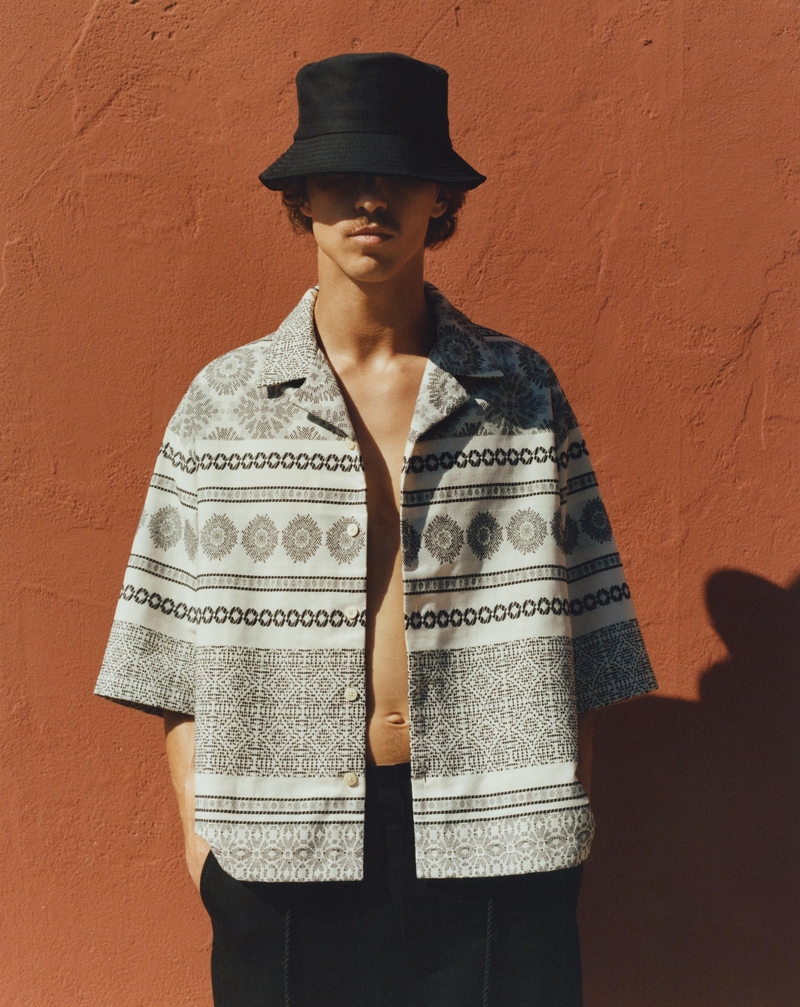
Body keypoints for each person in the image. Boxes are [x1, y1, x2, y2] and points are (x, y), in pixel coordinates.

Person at [95, 52, 657, 1007]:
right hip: (278, 847)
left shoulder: (517, 391)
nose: (370, 198)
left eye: (398, 175)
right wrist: (205, 841)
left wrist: (560, 817)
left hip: (498, 834)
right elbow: (165, 655)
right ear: (298, 198)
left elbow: (587, 633)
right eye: (341, 176)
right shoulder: (224, 404)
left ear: (439, 199)